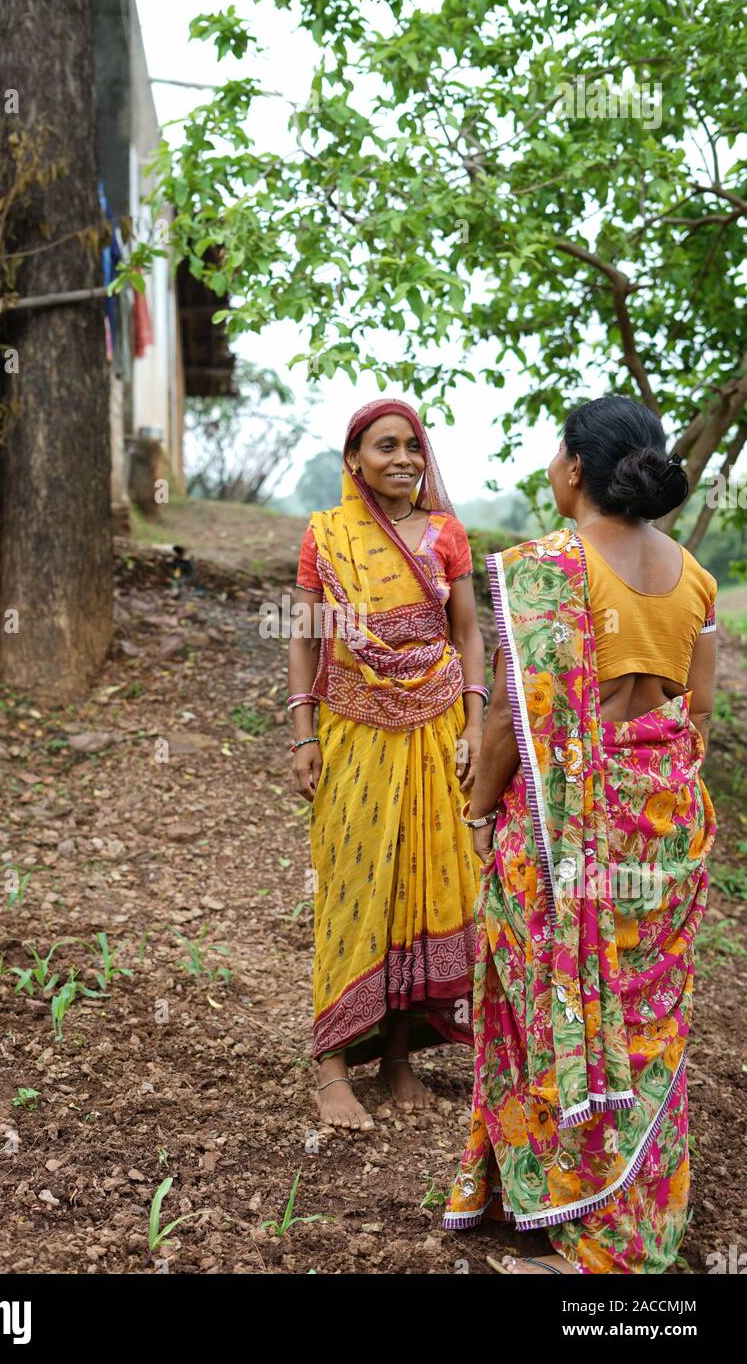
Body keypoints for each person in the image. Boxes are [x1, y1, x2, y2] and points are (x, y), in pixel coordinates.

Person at [445, 394, 717, 1274]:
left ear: (573, 467)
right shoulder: (694, 577)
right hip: (661, 834)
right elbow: (697, 717)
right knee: (643, 1029)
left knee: (548, 1009)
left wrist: (479, 812)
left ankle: (570, 1221)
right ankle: (628, 1217)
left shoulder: (542, 572)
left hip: (561, 839)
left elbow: (503, 726)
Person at [288, 397, 487, 1130]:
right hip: (353, 729)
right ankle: (332, 1064)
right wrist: (302, 735)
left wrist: (475, 727)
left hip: (436, 729)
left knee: (423, 883)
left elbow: (468, 633)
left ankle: (398, 1056)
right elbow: (304, 637)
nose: (402, 458)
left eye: (412, 445)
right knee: (351, 885)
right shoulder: (326, 534)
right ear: (354, 460)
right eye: (384, 446)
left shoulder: (446, 534)